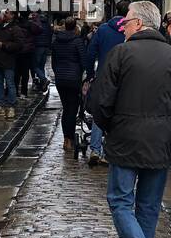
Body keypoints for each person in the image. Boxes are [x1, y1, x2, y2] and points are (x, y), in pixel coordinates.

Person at [91, 0, 171, 238]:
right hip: (160, 141)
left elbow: (100, 101)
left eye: (125, 23)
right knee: (148, 206)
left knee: (120, 201)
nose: (122, 28)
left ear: (137, 24)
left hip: (124, 140)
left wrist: (111, 127)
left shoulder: (120, 54)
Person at [84, 13, 125, 168]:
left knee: (100, 112)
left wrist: (90, 74)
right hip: (123, 77)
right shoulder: (129, 29)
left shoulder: (103, 30)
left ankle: (95, 149)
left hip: (103, 76)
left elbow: (90, 53)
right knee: (118, 113)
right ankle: (109, 152)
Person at [50, 18, 86, 154]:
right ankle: (70, 139)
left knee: (66, 108)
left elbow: (54, 61)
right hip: (74, 78)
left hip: (60, 78)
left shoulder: (56, 41)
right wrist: (84, 75)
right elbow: (84, 60)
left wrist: (58, 72)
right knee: (72, 108)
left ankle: (66, 139)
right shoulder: (77, 41)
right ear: (75, 27)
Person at [15, 12, 39, 100]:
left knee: (16, 73)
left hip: (17, 50)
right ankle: (24, 93)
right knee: (25, 73)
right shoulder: (31, 25)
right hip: (27, 51)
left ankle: (15, 91)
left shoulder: (16, 24)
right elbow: (39, 30)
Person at [29, 10, 53, 92]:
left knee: (34, 66)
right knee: (41, 66)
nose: (32, 15)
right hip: (45, 46)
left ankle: (44, 80)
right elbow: (50, 34)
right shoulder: (47, 23)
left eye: (33, 14)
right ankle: (42, 86)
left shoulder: (35, 23)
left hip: (37, 46)